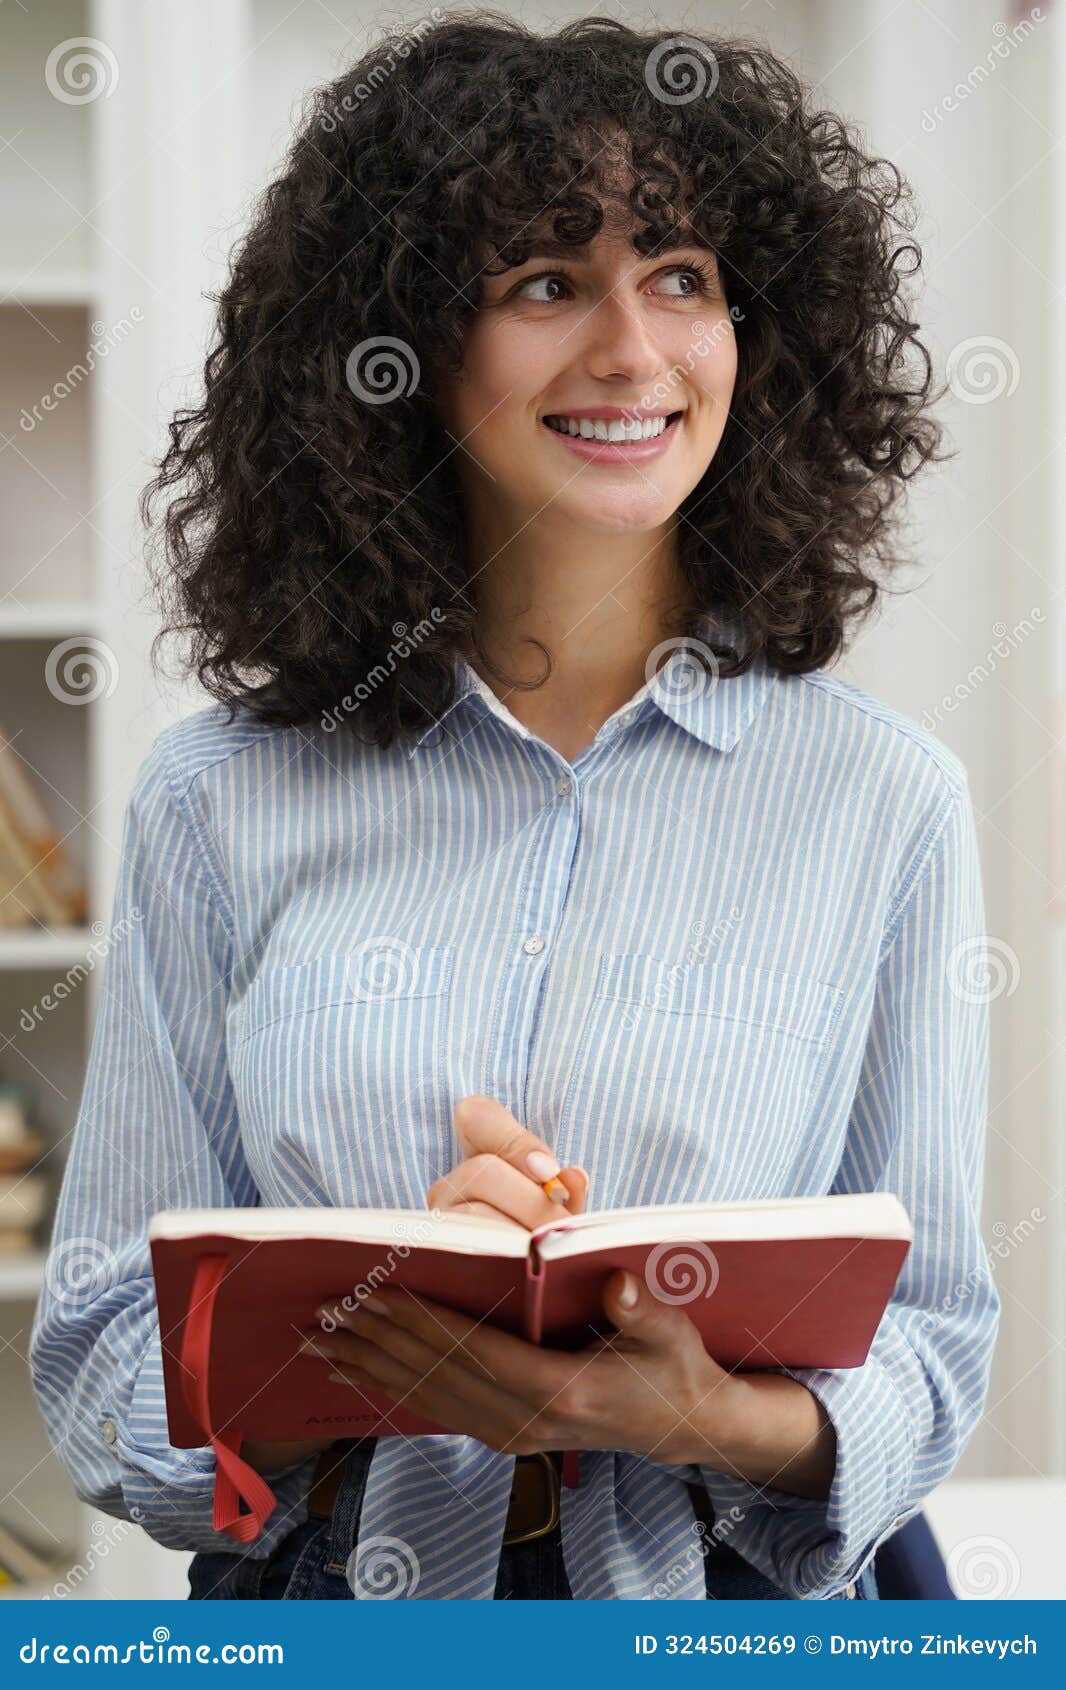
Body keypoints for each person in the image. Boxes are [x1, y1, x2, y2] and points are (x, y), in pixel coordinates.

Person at [28, 11, 999, 1602]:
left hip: (724, 1608)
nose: (630, 349)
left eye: (680, 276)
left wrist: (711, 1415)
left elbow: (936, 1343)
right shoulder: (220, 797)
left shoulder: (881, 799)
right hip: (335, 1610)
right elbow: (93, 1361)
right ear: (401, 349)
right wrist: (348, 1344)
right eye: (545, 283)